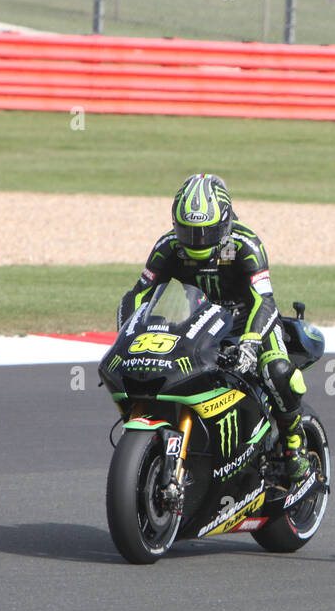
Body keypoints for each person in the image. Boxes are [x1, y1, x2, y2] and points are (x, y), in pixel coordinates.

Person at [117, 173, 310, 480]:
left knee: (277, 370)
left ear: (223, 223)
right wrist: (127, 333)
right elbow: (139, 294)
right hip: (198, 325)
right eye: (188, 231)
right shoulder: (167, 246)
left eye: (205, 232)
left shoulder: (246, 244)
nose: (196, 240)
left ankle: (294, 444)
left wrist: (250, 343)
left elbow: (265, 301)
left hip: (249, 325)